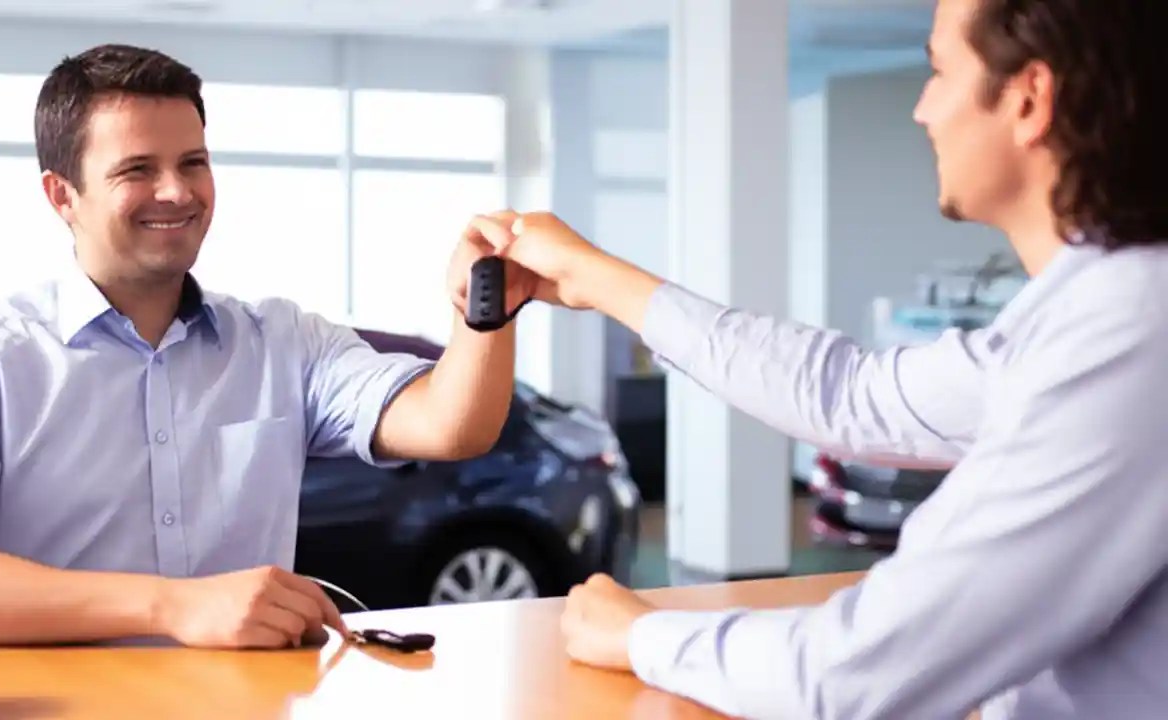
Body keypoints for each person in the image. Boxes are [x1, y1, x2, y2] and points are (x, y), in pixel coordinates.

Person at [465, 0, 1168, 717]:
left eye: (939, 70)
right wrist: (591, 277)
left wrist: (644, 635)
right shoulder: (1098, 312)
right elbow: (849, 395)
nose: (922, 109)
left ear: (1028, 99)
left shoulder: (1127, 335)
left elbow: (850, 676)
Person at [0, 44, 532, 649]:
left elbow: (454, 427)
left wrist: (487, 306)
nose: (177, 191)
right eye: (137, 170)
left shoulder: (284, 344)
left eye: (193, 162)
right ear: (62, 195)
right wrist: (169, 606)